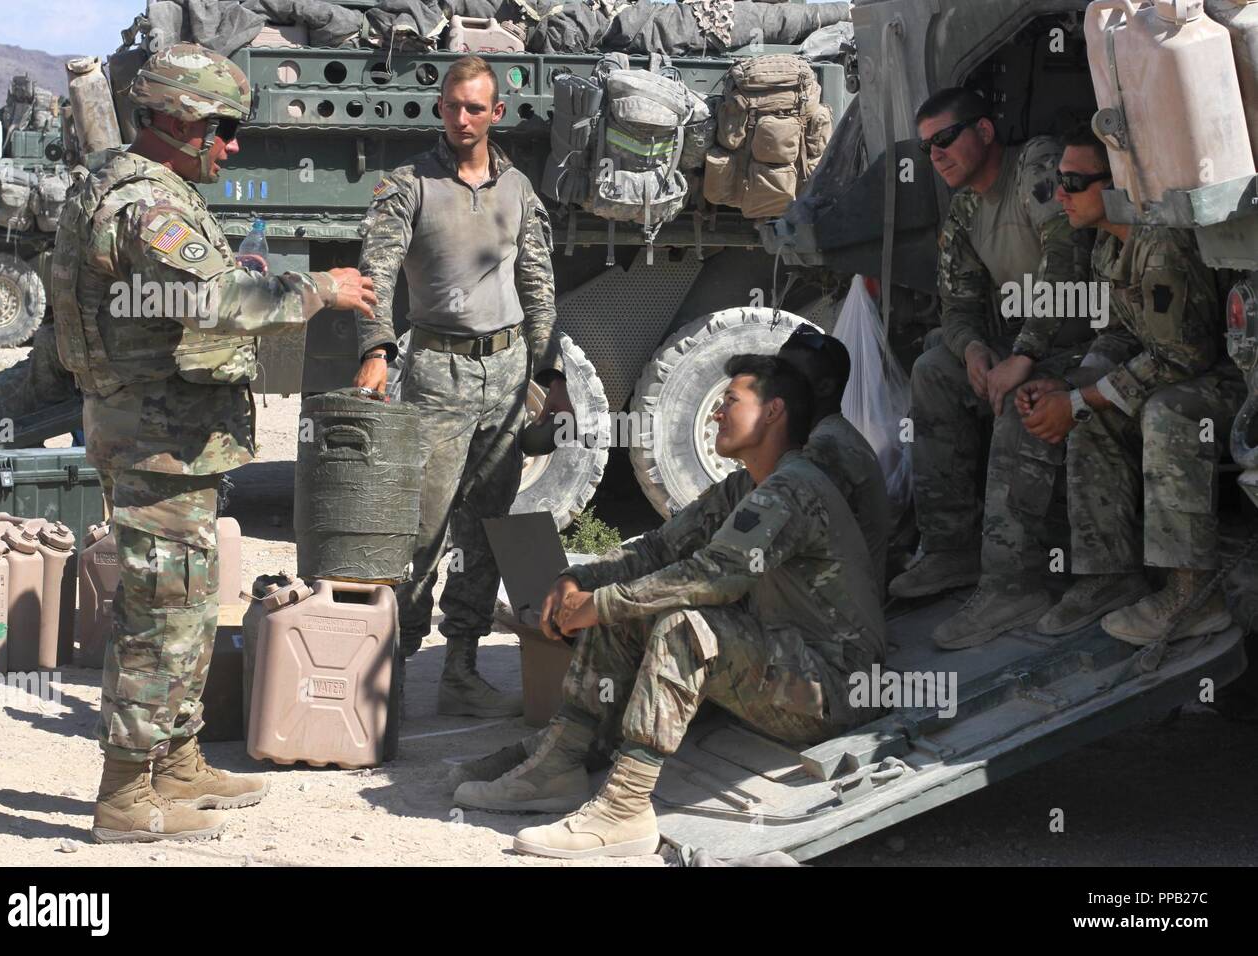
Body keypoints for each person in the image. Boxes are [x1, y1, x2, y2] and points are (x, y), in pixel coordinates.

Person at [51, 43, 377, 843]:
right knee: (158, 616)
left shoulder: (141, 186)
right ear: (169, 123)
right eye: (220, 128)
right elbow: (218, 300)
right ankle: (126, 796)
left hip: (177, 438)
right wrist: (322, 289)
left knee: (191, 606)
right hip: (156, 443)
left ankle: (178, 761)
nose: (231, 146)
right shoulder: (145, 207)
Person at [453, 354, 884, 859]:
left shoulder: (794, 487)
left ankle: (625, 809)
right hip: (783, 659)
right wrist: (579, 578)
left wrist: (603, 603)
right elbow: (660, 548)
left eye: (731, 401)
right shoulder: (746, 486)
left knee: (683, 628)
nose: (718, 413)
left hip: (833, 687)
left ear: (773, 413)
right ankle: (560, 760)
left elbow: (714, 575)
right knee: (628, 611)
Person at [355, 55, 571, 718]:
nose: (462, 118)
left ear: (495, 113)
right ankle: (388, 672)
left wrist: (548, 376)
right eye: (452, 106)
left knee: (491, 533)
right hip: (437, 373)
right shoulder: (409, 184)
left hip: (506, 374)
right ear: (440, 108)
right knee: (421, 528)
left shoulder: (518, 188)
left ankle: (461, 669)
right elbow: (375, 272)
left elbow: (538, 286)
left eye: (475, 107)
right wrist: (375, 351)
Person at [1017, 125, 1243, 643]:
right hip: (1178, 368)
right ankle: (1109, 575)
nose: (1061, 195)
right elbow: (1120, 333)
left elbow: (1184, 358)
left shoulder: (1160, 246)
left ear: (1116, 185)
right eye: (1057, 181)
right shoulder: (1108, 243)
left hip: (1230, 379)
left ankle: (1193, 595)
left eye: (1074, 182)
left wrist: (1080, 395)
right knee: (1087, 409)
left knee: (1167, 413)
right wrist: (1074, 386)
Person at [888, 88, 1096, 650]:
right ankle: (952, 548)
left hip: (1090, 345)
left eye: (946, 138)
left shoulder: (1037, 165)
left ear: (983, 132)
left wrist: (1020, 357)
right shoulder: (965, 210)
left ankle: (1014, 582)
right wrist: (974, 351)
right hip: (1028, 347)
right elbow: (955, 303)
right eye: (927, 145)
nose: (936, 154)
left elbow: (1067, 260)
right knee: (934, 369)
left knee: (1021, 395)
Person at [774, 325, 890, 591]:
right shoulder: (825, 436)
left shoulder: (826, 448)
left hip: (835, 618)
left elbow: (774, 536)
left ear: (824, 387)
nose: (775, 385)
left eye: (789, 376)